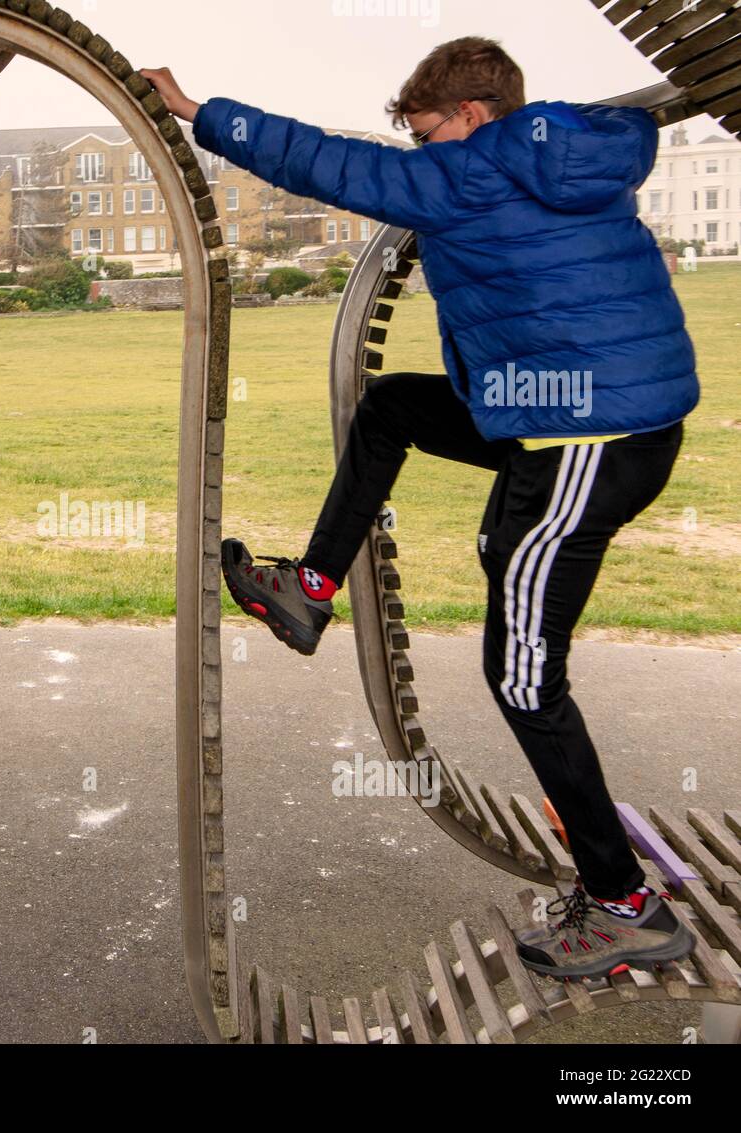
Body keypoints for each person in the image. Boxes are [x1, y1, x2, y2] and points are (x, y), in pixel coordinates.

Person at [141, 37, 698, 979]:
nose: (417, 145)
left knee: (523, 677)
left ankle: (625, 903)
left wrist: (201, 113)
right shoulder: (559, 155)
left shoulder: (473, 170)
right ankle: (311, 587)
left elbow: (332, 162)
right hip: (567, 412)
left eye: (425, 126)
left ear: (475, 114)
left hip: (583, 441)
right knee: (396, 404)